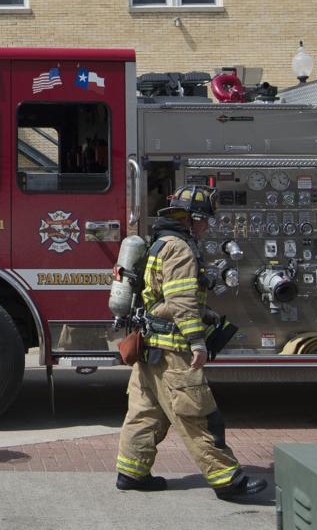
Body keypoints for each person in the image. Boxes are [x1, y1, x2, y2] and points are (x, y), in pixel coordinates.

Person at [115, 184, 266, 502]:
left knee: (144, 413)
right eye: (205, 220)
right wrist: (197, 341)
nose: (207, 226)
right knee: (198, 415)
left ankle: (131, 472)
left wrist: (206, 314)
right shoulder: (181, 249)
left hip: (150, 347)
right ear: (192, 218)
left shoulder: (160, 243)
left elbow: (161, 297)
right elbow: (181, 299)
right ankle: (227, 480)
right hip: (173, 352)